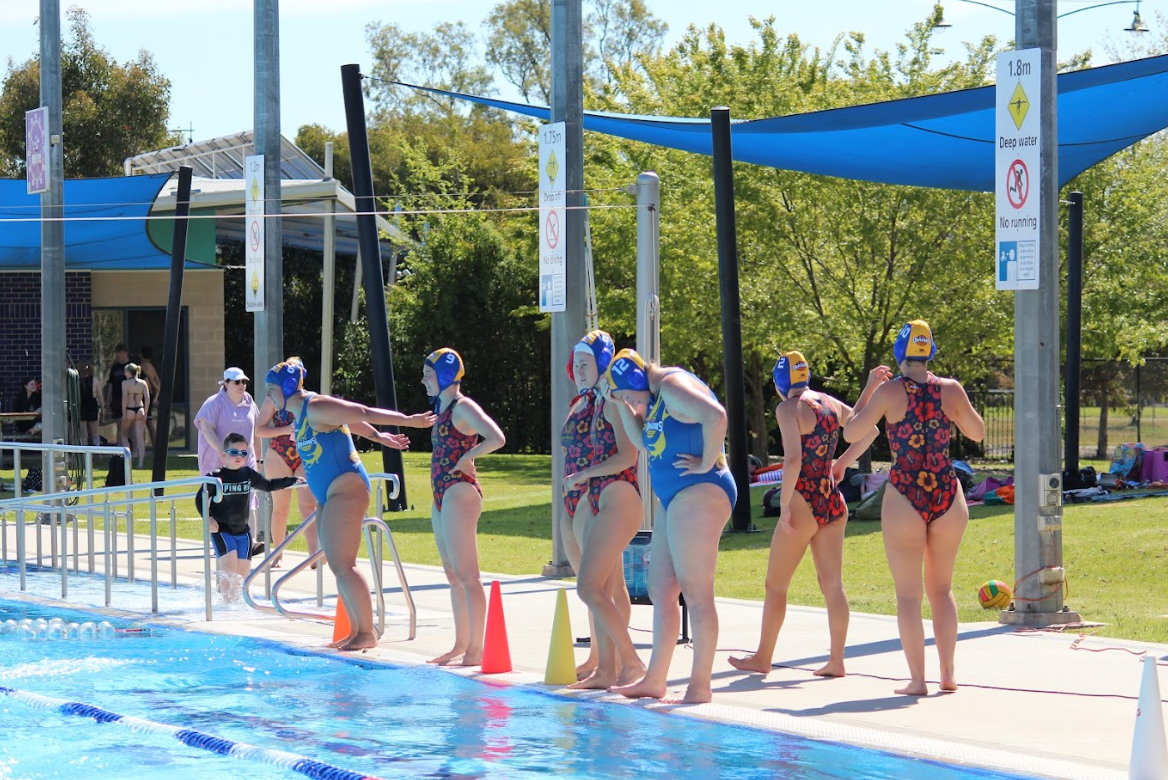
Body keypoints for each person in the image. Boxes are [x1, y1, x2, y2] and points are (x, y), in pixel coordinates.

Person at [843, 320, 985, 696]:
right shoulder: (950, 389)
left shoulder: (889, 392)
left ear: (899, 352)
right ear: (930, 352)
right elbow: (978, 432)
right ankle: (948, 673)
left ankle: (918, 681)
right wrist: (952, 404)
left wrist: (870, 390)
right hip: (946, 491)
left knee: (908, 595)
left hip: (906, 490)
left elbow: (852, 433)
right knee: (942, 589)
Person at [265, 358, 435, 651]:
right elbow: (351, 421)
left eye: (271, 390)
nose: (268, 396)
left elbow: (360, 411)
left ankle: (367, 632)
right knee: (337, 564)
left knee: (345, 564)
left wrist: (408, 421)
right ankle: (357, 631)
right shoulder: (299, 415)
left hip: (347, 488)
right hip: (329, 494)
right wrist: (377, 436)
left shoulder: (315, 406)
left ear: (287, 387)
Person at [729, 351, 878, 678]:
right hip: (832, 501)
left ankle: (763, 657)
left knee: (776, 585)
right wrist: (840, 464)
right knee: (833, 585)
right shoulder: (828, 402)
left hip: (803, 499)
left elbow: (793, 460)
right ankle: (836, 661)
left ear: (781, 383)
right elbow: (867, 431)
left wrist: (784, 507)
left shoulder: (788, 409)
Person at [604, 349, 736, 704]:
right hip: (674, 497)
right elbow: (642, 441)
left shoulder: (673, 387)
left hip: (701, 491)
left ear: (636, 381)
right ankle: (655, 679)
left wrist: (708, 460)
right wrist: (620, 404)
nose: (632, 403)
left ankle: (700, 686)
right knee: (661, 587)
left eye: (630, 395)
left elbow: (716, 417)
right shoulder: (653, 397)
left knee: (696, 592)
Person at [560, 331, 644, 689]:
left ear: (602, 365)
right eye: (576, 363)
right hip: (581, 499)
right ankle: (604, 668)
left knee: (592, 588)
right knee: (604, 590)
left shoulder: (612, 402)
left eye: (586, 363)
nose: (579, 370)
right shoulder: (580, 403)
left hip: (613, 494)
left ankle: (632, 661)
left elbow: (629, 454)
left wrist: (585, 474)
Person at [423, 349, 506, 666]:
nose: (423, 380)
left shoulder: (463, 406)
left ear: (444, 376)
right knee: (452, 574)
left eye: (428, 374)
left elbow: (496, 437)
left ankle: (476, 649)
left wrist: (467, 457)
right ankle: (461, 644)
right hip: (441, 493)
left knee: (468, 575)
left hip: (459, 491)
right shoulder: (442, 408)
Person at [195, 433, 302, 603]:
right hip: (221, 529)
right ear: (224, 455)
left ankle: (237, 602)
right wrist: (207, 519)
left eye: (244, 453)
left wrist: (291, 480)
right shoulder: (215, 477)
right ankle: (225, 602)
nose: (239, 456)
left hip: (242, 530)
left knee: (244, 570)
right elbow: (200, 498)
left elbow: (268, 486)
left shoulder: (248, 474)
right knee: (229, 566)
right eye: (234, 452)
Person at [257, 357, 319, 567]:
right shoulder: (273, 399)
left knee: (308, 506)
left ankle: (314, 555)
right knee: (281, 508)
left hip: (303, 454)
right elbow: (259, 429)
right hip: (279, 454)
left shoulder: (310, 399)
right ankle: (278, 554)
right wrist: (284, 430)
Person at [195, 367, 262, 545]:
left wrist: (259, 459)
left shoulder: (250, 403)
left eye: (244, 382)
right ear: (226, 384)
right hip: (217, 461)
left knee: (249, 497)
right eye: (237, 382)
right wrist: (220, 449)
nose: (242, 385)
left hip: (245, 461)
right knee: (217, 498)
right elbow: (205, 427)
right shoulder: (214, 403)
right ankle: (218, 540)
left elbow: (256, 434)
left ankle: (251, 540)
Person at [121, 363, 151, 468]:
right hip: (140, 409)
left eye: (125, 371)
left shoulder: (125, 383)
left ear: (129, 372)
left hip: (129, 409)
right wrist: (146, 412)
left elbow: (124, 398)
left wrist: (124, 412)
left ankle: (128, 459)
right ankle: (140, 463)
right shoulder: (143, 383)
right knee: (140, 438)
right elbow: (147, 398)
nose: (124, 373)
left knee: (123, 435)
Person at [139, 345, 162, 449]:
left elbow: (152, 383)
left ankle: (142, 448)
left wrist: (155, 396)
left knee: (143, 423)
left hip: (144, 395)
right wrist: (156, 397)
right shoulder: (151, 366)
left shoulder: (144, 367)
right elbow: (158, 383)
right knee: (148, 423)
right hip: (149, 394)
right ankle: (155, 447)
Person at [103, 344, 130, 432]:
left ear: (125, 353)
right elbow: (111, 384)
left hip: (129, 400)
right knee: (120, 427)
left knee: (130, 427)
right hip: (117, 399)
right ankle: (120, 445)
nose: (118, 355)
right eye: (116, 353)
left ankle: (134, 445)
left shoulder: (131, 366)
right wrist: (108, 400)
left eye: (120, 353)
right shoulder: (115, 367)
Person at [78, 362, 102, 446]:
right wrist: (103, 408)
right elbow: (100, 396)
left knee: (84, 433)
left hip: (82, 407)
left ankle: (85, 452)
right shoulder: (95, 380)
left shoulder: (77, 380)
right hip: (92, 406)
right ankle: (97, 450)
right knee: (95, 432)